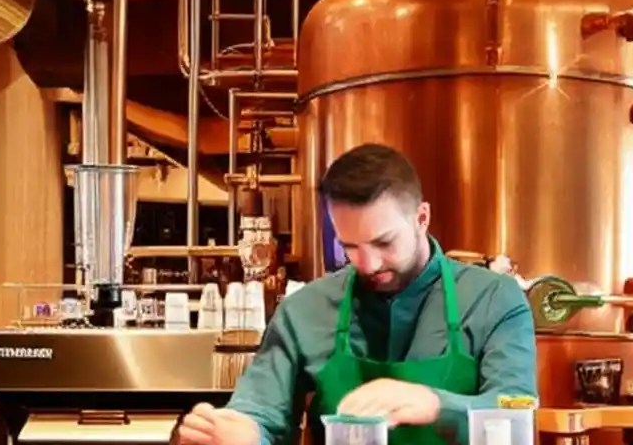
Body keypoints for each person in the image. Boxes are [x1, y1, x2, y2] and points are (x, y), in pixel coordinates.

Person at [177, 143, 538, 445]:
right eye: (349, 245)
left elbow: (515, 411)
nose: (367, 263)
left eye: (384, 242)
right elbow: (261, 412)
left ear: (421, 218)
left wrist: (434, 403)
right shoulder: (304, 311)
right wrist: (240, 431)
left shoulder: (494, 299)